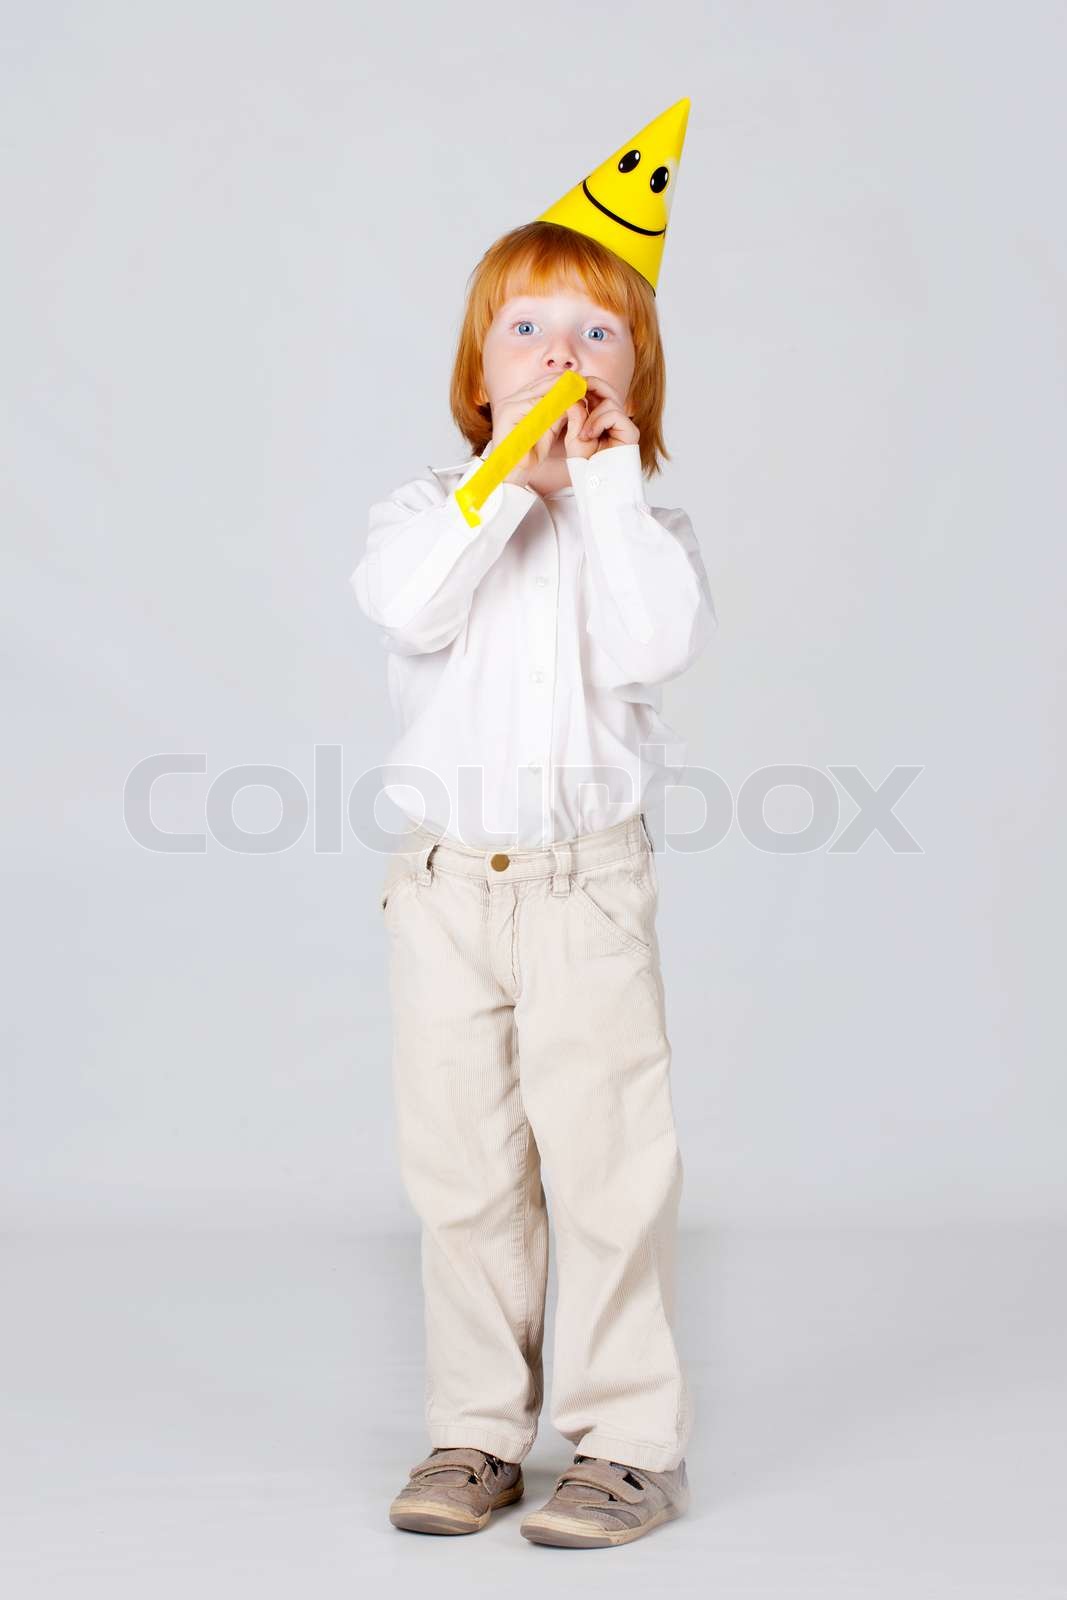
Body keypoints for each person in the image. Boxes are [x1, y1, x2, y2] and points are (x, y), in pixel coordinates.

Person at [350, 98, 718, 1549]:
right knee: (464, 1170)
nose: (561, 354)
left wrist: (605, 484)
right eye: (526, 330)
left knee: (611, 1168)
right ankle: (476, 1432)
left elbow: (656, 644)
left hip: (585, 892)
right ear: (478, 371)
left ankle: (626, 1442)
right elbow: (409, 606)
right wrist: (507, 479)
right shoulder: (425, 511)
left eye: (596, 334)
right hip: (446, 891)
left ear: (637, 378)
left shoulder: (646, 533)